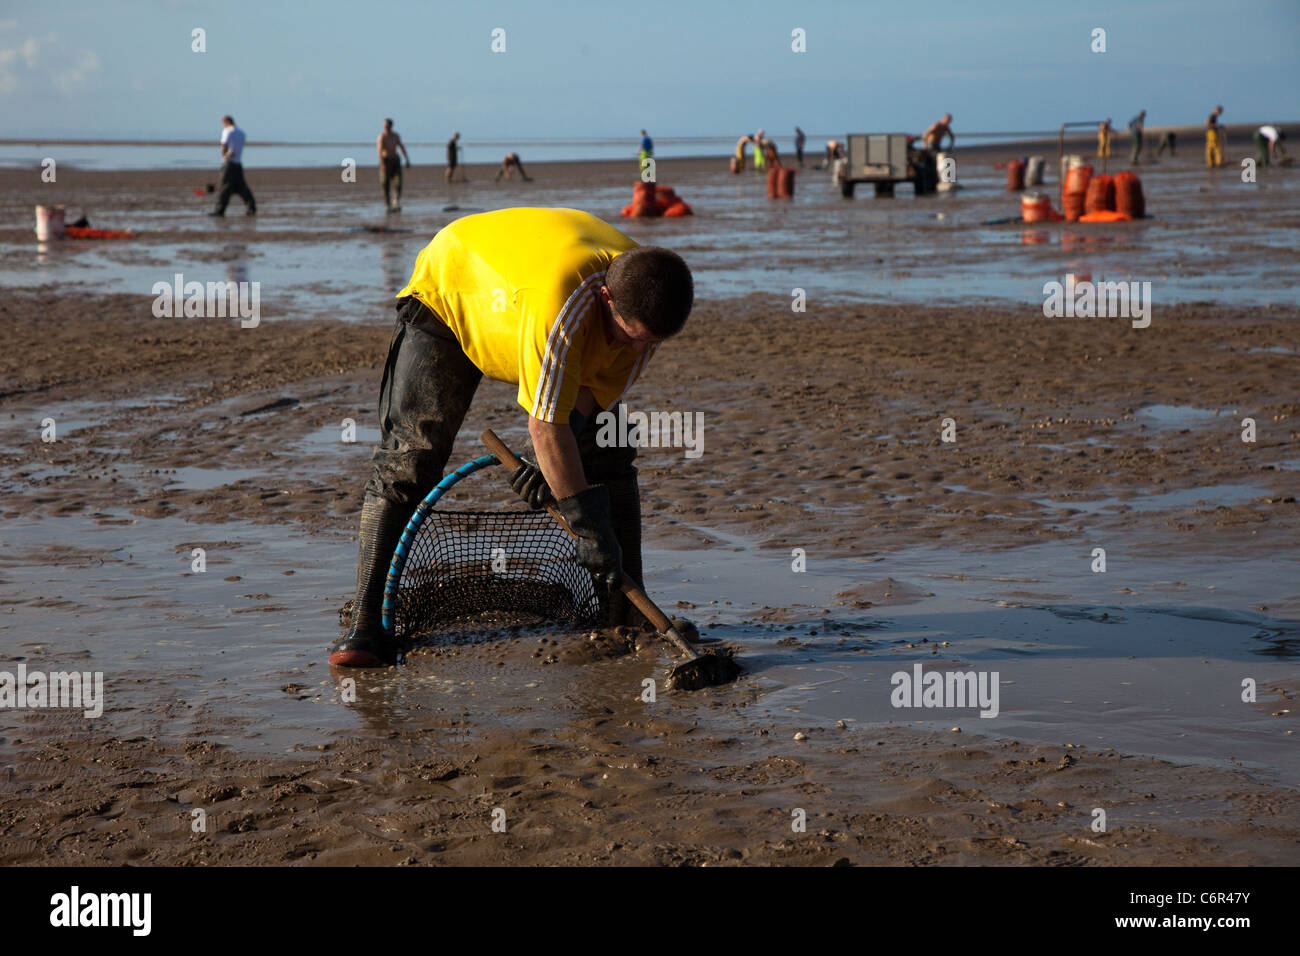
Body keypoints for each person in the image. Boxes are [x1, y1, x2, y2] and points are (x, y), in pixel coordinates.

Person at [329, 208, 695, 668]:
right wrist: (585, 524)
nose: (643, 351)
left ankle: (627, 613)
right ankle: (366, 624)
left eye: (653, 342)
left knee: (609, 450)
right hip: (452, 290)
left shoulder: (644, 301)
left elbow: (581, 406)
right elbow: (545, 426)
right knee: (411, 459)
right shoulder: (562, 307)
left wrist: (545, 463)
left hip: (523, 295)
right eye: (633, 337)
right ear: (606, 298)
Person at [209, 116, 256, 216]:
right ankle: (251, 208)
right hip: (238, 163)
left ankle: (219, 210)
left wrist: (224, 155)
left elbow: (224, 145)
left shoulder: (227, 131)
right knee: (241, 188)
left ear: (226, 122)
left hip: (229, 163)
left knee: (224, 187)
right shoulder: (242, 133)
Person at [377, 118, 410, 212]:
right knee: (385, 184)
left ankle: (396, 202)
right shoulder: (382, 137)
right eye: (384, 125)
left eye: (387, 125)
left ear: (391, 126)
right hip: (385, 161)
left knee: (398, 183)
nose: (386, 127)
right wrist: (382, 163)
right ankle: (388, 204)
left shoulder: (395, 136)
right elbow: (379, 151)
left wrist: (406, 159)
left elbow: (401, 147)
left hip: (395, 160)